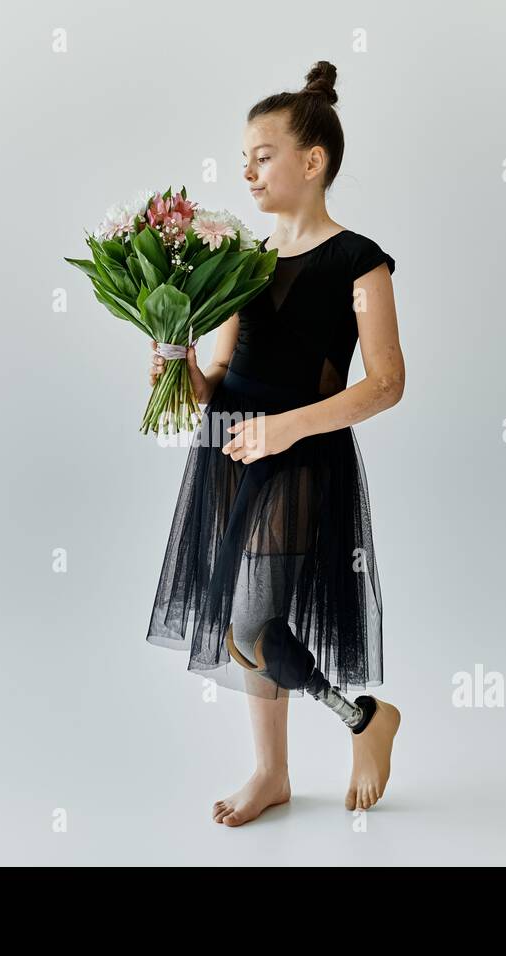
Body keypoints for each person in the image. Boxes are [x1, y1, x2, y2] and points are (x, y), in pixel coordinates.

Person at [146, 61, 404, 826]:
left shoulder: (360, 260)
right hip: (227, 447)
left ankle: (362, 719)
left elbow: (386, 383)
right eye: (245, 159)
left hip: (298, 452)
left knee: (254, 621)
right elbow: (216, 372)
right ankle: (274, 772)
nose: (247, 170)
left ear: (312, 160)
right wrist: (173, 359)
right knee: (237, 622)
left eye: (263, 155)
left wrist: (286, 429)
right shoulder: (244, 263)